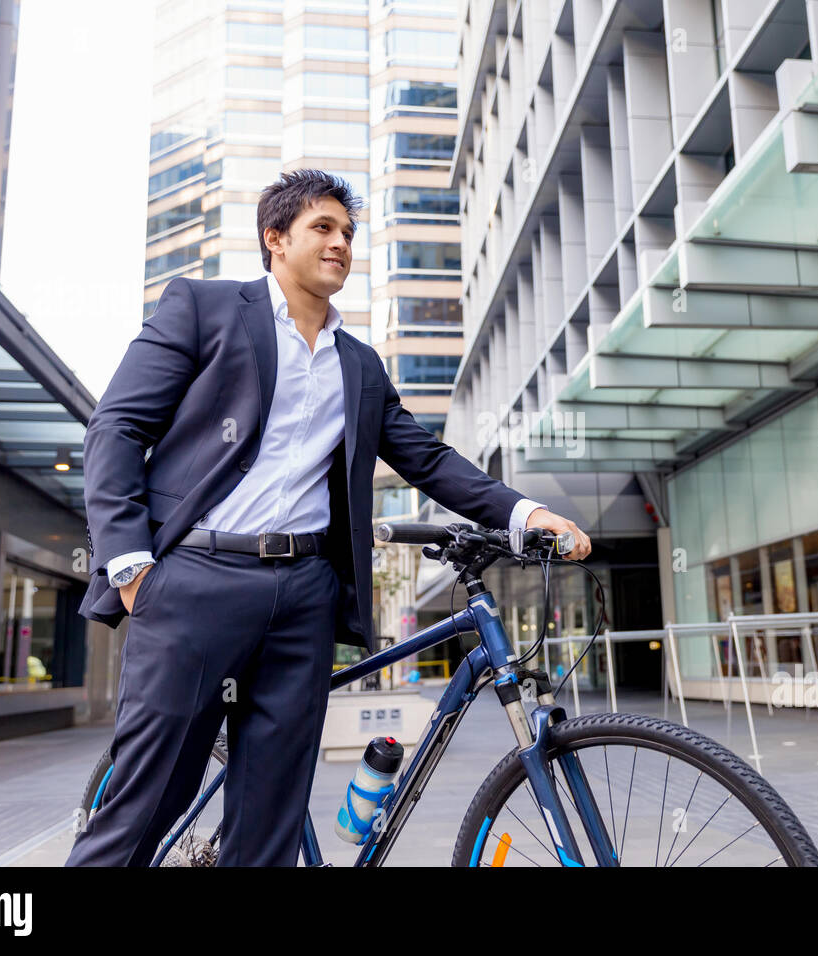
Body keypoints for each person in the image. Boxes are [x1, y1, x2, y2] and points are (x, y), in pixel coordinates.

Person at [68, 169, 589, 866]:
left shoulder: (360, 365)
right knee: (144, 806)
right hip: (194, 582)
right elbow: (116, 429)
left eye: (349, 232)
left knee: (270, 825)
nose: (341, 242)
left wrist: (527, 513)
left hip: (304, 598)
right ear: (274, 239)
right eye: (323, 228)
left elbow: (427, 458)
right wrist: (132, 568)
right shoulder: (204, 308)